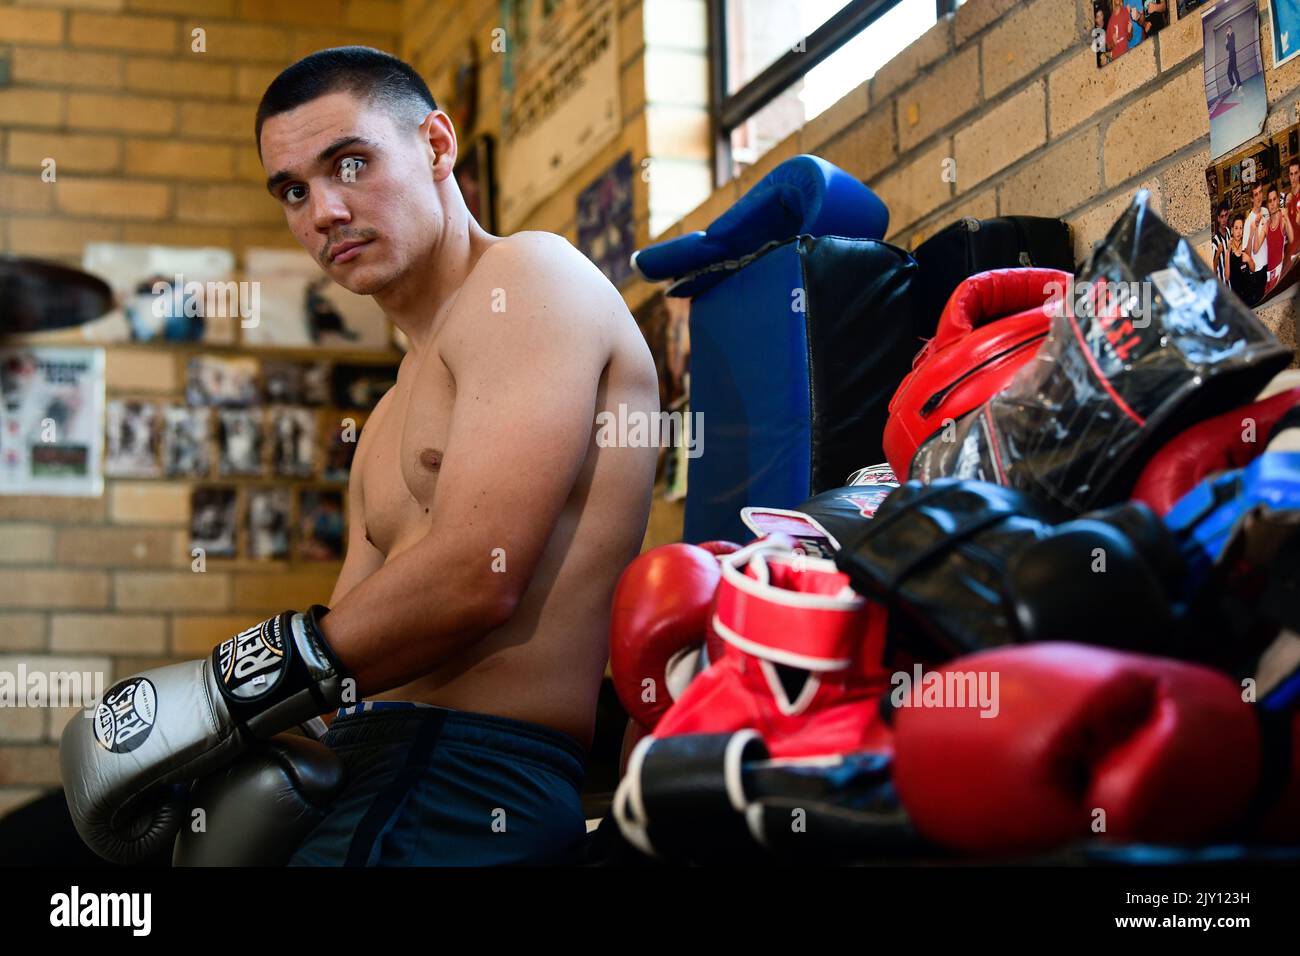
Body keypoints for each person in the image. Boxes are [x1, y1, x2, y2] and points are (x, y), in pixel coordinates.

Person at [61, 46, 660, 867]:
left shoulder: (529, 277)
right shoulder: (384, 419)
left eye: (350, 164)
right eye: (294, 191)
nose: (324, 212)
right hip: (370, 774)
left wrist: (222, 694)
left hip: (467, 779)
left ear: (438, 146)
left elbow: (475, 578)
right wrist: (211, 754)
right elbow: (346, 656)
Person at [1263, 185, 1295, 293]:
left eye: (1274, 199)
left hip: (1279, 272)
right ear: (1267, 204)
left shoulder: (1283, 218)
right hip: (1268, 275)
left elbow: (1291, 239)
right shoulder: (1266, 224)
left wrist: (1286, 217)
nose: (1272, 203)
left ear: (1278, 200)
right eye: (1270, 201)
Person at [1244, 181, 1270, 276]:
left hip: (1269, 265)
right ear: (1251, 198)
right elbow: (1246, 253)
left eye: (1260, 192)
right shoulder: (1248, 222)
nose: (1259, 197)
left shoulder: (1266, 211)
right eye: (1256, 194)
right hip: (1258, 271)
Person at [1211, 201, 1231, 284]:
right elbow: (1213, 270)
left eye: (1226, 215)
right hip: (1222, 284)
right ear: (1218, 218)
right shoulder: (1215, 242)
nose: (1224, 219)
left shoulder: (1229, 232)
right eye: (1222, 216)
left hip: (1232, 283)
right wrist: (1217, 255)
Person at [1226, 25, 1241, 92]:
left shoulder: (1232, 35)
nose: (1229, 30)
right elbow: (1227, 48)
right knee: (1229, 72)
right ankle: (1233, 84)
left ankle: (1239, 85)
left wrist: (1227, 37)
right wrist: (1226, 41)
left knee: (1234, 69)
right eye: (1228, 30)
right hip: (1230, 56)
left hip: (1233, 54)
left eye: (1230, 29)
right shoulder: (1228, 37)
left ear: (1231, 29)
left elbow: (1231, 44)